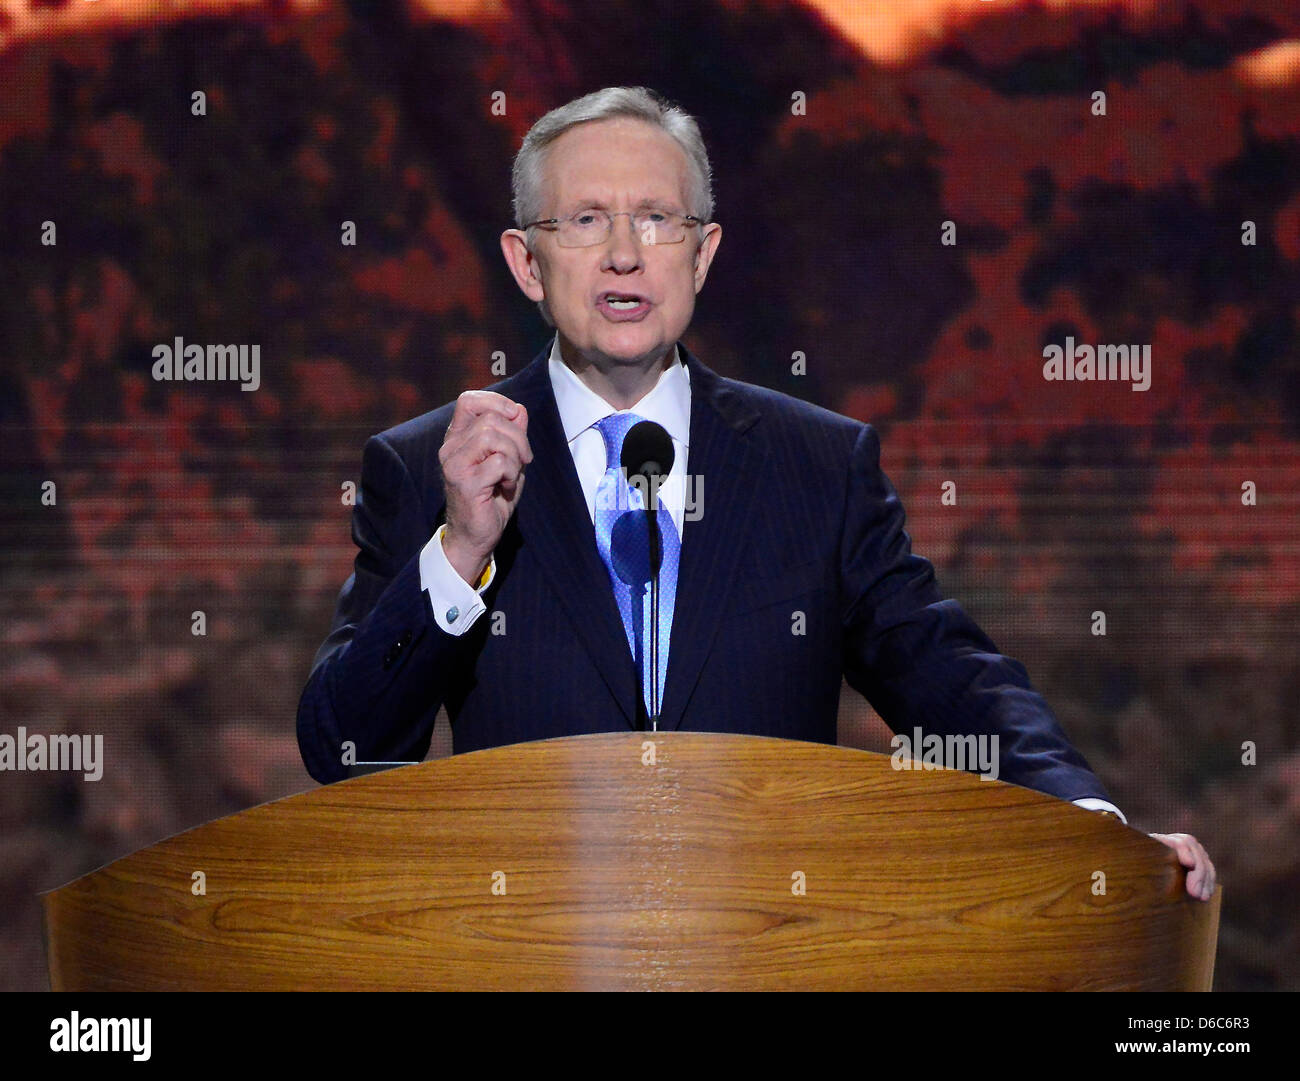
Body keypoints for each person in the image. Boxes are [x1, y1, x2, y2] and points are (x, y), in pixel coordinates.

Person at [296, 86, 1214, 901]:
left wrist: (1082, 812)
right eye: (582, 220)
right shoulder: (431, 465)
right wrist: (458, 553)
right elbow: (347, 750)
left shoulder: (815, 463)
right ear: (525, 262)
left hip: (773, 946)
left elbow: (940, 668)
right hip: (531, 951)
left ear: (702, 255)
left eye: (657, 218)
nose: (624, 253)